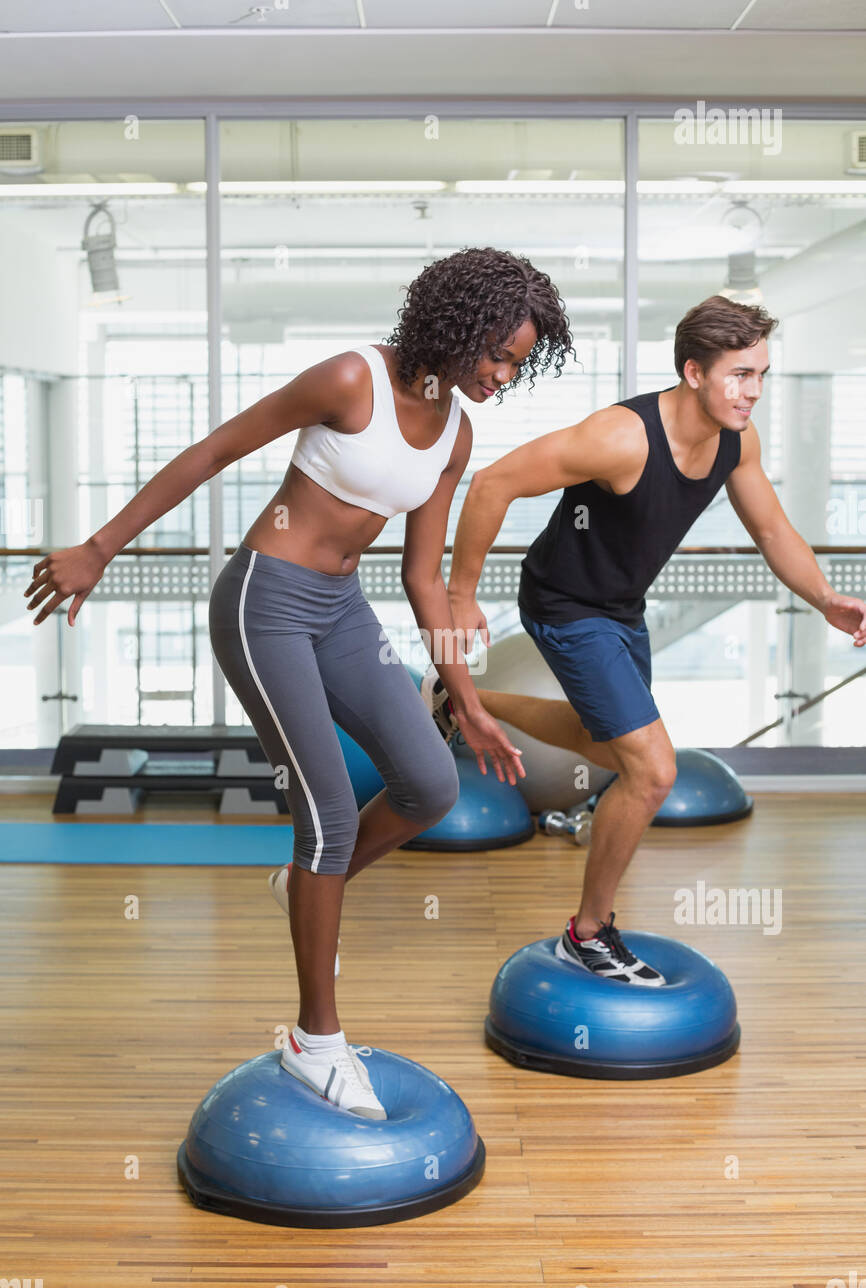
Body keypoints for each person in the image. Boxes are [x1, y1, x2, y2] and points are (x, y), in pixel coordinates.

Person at [23, 246, 574, 1117]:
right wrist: (99, 549)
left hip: (342, 611)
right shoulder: (352, 379)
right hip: (264, 602)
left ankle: (310, 883)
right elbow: (213, 451)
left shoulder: (457, 434)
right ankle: (314, 1040)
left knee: (428, 785)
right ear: (457, 326)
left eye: (517, 362)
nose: (503, 375)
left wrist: (464, 697)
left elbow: (424, 577)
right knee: (321, 818)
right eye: (495, 355)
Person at [434, 295, 866, 987]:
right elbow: (492, 484)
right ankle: (588, 932)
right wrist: (460, 596)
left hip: (621, 608)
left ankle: (469, 704)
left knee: (608, 750)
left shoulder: (736, 440)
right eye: (739, 375)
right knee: (653, 770)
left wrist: (825, 600)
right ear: (694, 371)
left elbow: (774, 532)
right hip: (566, 604)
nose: (753, 392)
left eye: (761, 375)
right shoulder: (621, 437)